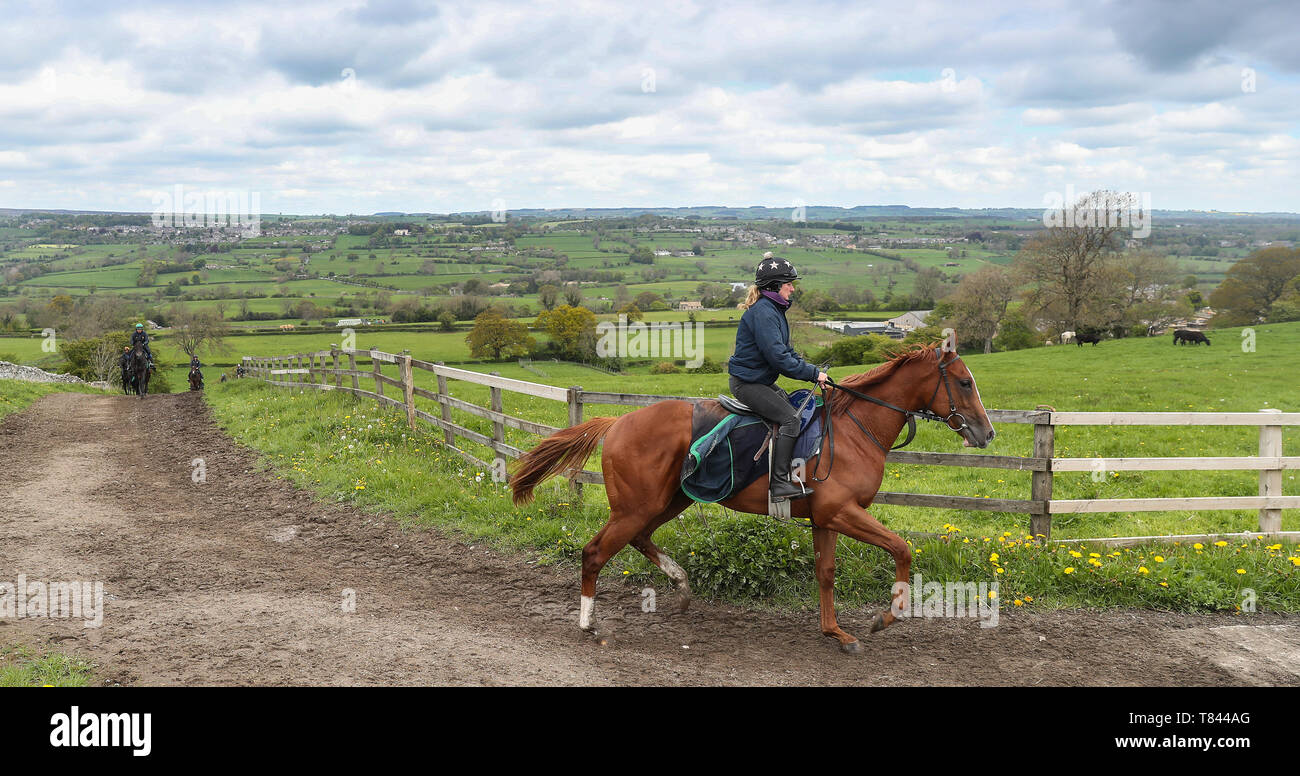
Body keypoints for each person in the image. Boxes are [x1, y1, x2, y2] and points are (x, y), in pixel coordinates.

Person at [727, 253, 828, 500]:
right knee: (791, 420)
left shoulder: (774, 310)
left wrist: (813, 370)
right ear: (774, 286)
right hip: (747, 384)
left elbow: (787, 350)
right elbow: (778, 358)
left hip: (760, 381)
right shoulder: (765, 312)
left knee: (790, 405)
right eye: (789, 284)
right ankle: (779, 484)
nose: (793, 289)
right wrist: (813, 373)